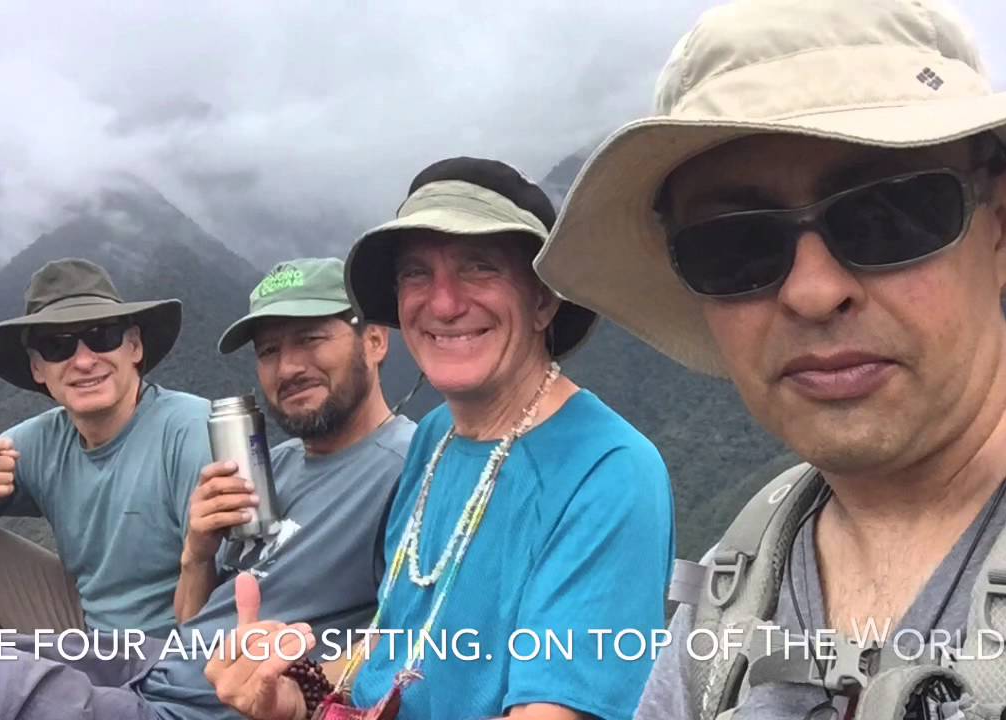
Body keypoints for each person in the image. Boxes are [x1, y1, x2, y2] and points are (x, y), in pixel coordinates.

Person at [533, 1, 1006, 719]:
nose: (814, 291)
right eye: (734, 245)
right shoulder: (745, 571)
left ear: (1001, 221)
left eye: (889, 213)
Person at [208, 157, 677, 720]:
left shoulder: (610, 471)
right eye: (416, 274)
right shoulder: (435, 438)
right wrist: (294, 691)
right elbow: (396, 647)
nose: (445, 303)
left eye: (480, 267)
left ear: (544, 300)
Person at [0, 256, 417, 720]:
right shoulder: (279, 463)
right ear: (39, 368)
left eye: (312, 339)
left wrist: (307, 691)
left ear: (374, 341)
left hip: (168, 682)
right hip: (148, 663)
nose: (83, 359)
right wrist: (198, 554)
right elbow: (202, 617)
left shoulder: (404, 471)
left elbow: (424, 636)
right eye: (269, 351)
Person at [0, 257, 212, 637]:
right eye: (58, 346)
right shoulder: (42, 444)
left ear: (134, 346)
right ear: (38, 368)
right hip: (89, 631)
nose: (84, 360)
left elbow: (233, 577)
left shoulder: (189, 429)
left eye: (102, 336)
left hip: (175, 642)